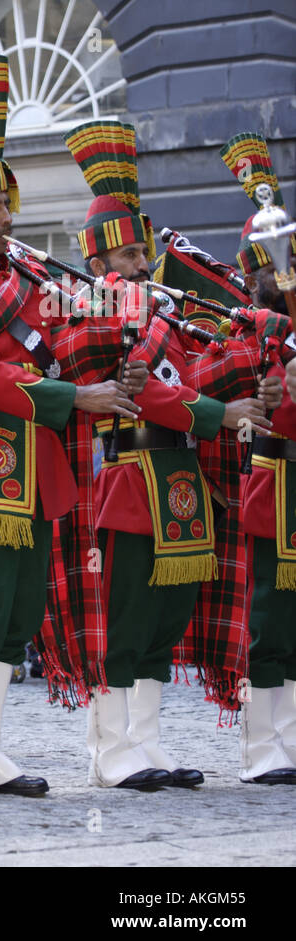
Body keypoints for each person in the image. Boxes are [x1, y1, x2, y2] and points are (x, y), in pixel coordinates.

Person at [0, 51, 140, 800]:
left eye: (9, 208)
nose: (8, 219)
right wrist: (79, 399)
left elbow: (78, 333)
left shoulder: (25, 277)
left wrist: (124, 345)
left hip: (33, 457)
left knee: (18, 609)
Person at [59, 121, 269, 789]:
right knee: (124, 616)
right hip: (125, 473)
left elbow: (188, 375)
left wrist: (247, 353)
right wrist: (217, 412)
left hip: (179, 477)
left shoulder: (164, 316)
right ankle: (108, 750)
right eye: (126, 260)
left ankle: (144, 745)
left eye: (142, 256)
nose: (141, 266)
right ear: (97, 266)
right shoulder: (88, 310)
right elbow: (141, 389)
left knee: (163, 617)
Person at [221, 131, 296, 783]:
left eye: (284, 263)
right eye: (264, 265)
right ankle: (261, 746)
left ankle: (292, 739)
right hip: (268, 476)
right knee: (269, 612)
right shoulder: (234, 330)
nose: (275, 276)